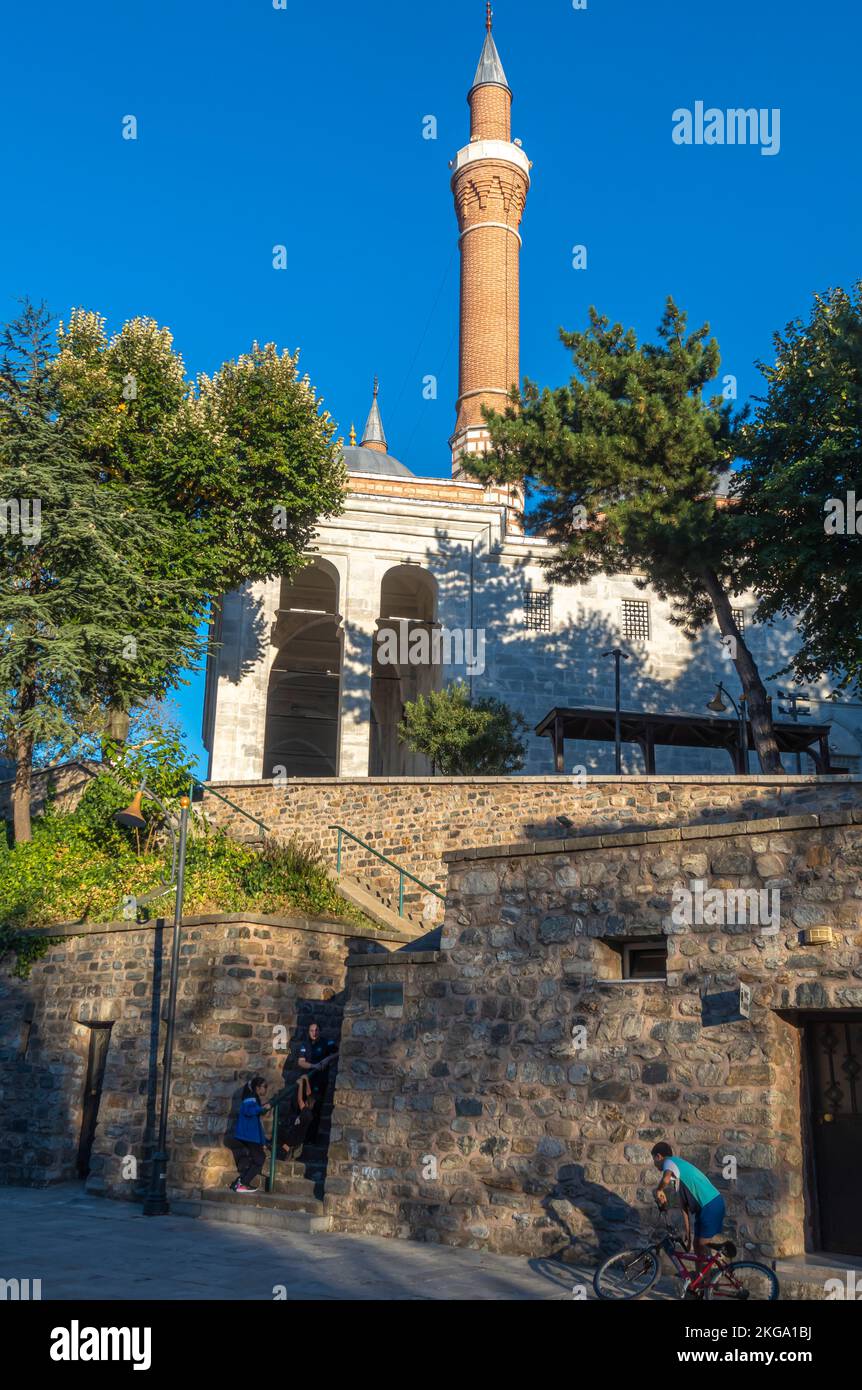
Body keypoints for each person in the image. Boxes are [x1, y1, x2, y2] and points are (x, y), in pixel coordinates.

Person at [651, 1141, 726, 1289]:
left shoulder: (671, 1162)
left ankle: (707, 1284)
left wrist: (658, 1190)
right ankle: (700, 1283)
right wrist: (688, 1234)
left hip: (710, 1205)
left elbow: (665, 1179)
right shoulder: (679, 1176)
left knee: (702, 1245)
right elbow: (684, 1208)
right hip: (708, 1206)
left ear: (658, 1156)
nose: (655, 1164)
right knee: (698, 1247)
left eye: (654, 1159)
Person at [297, 1020, 338, 1144]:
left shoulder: (326, 1042)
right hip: (307, 1081)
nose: (314, 1033)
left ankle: (311, 1138)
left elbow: (337, 1052)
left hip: (320, 1082)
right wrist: (313, 1066)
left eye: (316, 1030)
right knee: (302, 1109)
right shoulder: (305, 1044)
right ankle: (301, 1138)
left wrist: (327, 1060)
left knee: (316, 1109)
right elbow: (300, 1061)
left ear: (320, 1031)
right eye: (311, 1030)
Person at [230, 1076, 271, 1193]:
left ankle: (242, 1182)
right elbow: (248, 1111)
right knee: (259, 1159)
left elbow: (257, 1122)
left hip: (252, 1136)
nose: (266, 1089)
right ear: (257, 1088)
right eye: (265, 1087)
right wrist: (262, 1108)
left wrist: (262, 1141)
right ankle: (242, 1183)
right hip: (249, 1135)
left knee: (259, 1158)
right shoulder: (250, 1098)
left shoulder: (254, 1098)